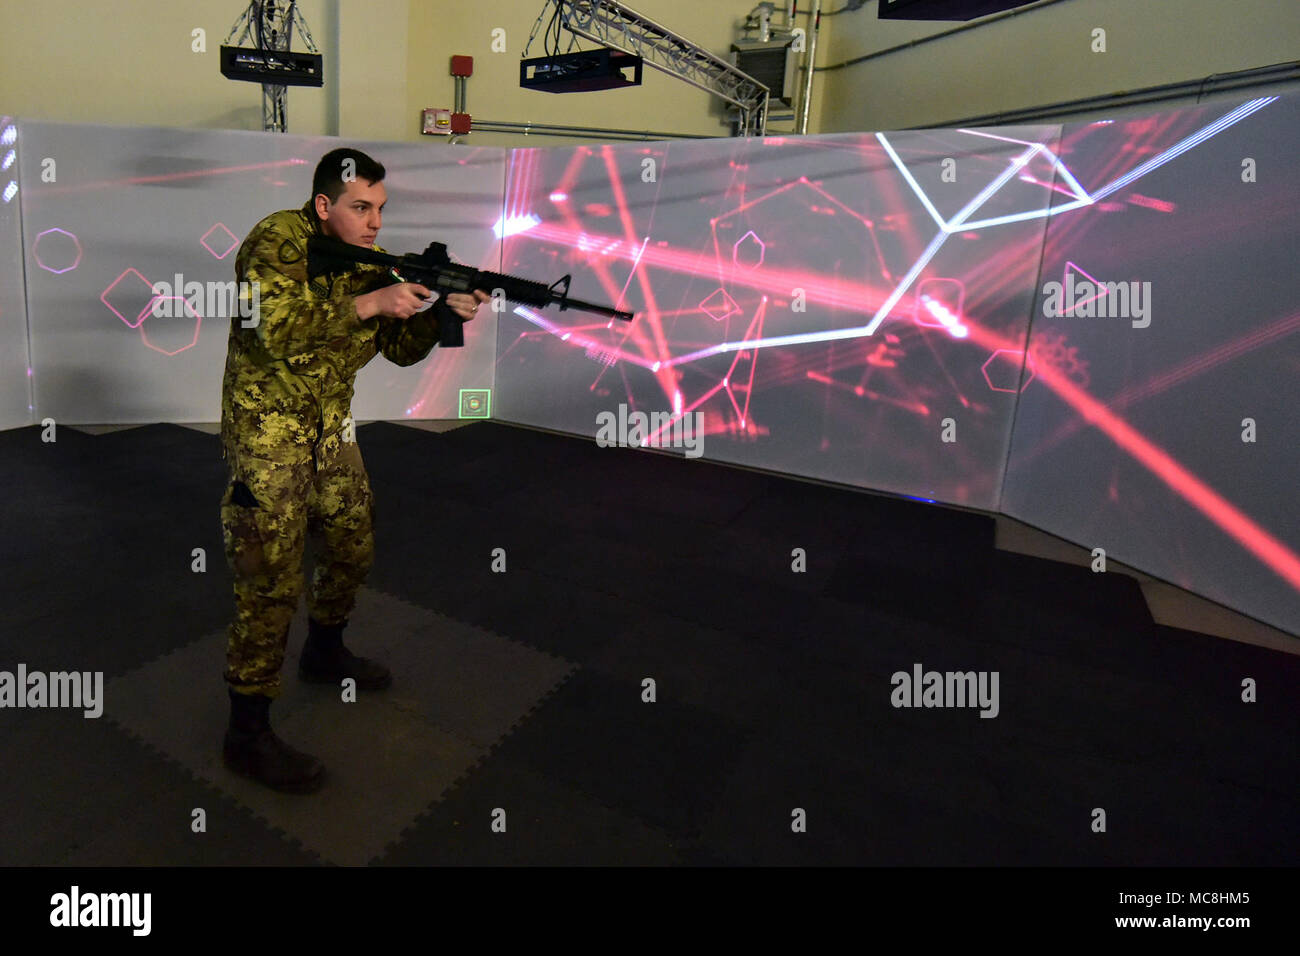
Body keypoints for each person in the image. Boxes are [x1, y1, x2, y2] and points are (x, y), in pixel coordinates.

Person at [218, 147, 490, 793]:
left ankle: (324, 649)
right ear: (323, 206)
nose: (373, 222)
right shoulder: (276, 240)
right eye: (359, 208)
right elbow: (274, 328)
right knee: (270, 579)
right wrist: (372, 304)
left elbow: (397, 351)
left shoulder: (371, 264)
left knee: (350, 545)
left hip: (331, 433)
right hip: (269, 437)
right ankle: (246, 731)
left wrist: (436, 315)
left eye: (379, 209)